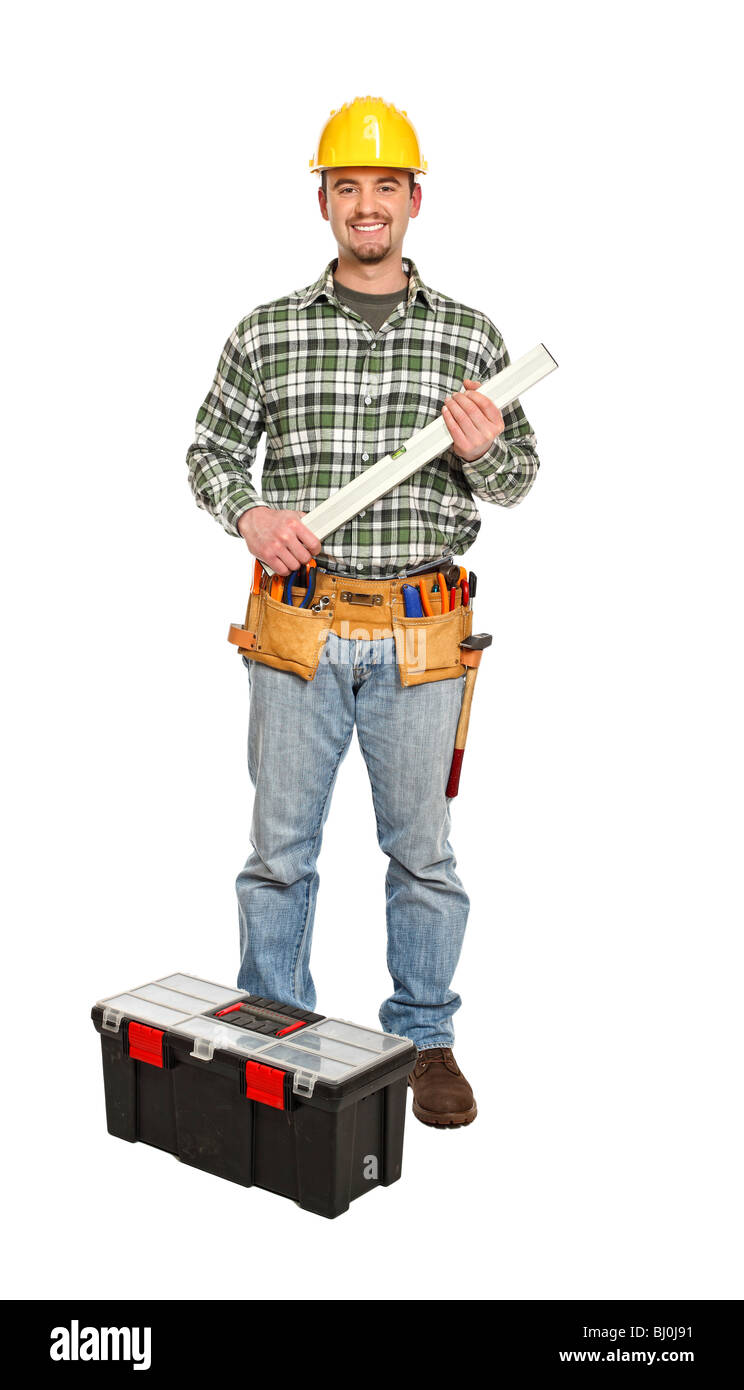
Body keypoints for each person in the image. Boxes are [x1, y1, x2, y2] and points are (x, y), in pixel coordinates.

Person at [186, 97, 541, 1128]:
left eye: (387, 186)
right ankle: (273, 1034)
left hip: (422, 632)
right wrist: (249, 512)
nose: (368, 204)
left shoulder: (471, 336)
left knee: (422, 851)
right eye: (349, 187)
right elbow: (209, 452)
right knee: (279, 849)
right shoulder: (268, 330)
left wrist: (483, 449)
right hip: (295, 624)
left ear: (415, 200)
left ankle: (426, 1037)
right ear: (325, 202)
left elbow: (518, 478)